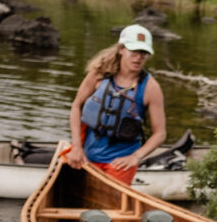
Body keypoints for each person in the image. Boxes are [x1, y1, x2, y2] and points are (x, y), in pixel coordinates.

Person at [66, 24, 166, 184]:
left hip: (120, 162)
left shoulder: (151, 88)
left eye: (143, 53)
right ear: (121, 49)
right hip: (86, 153)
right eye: (134, 51)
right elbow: (76, 106)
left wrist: (136, 157)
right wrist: (77, 147)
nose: (138, 58)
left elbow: (160, 134)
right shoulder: (98, 74)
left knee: (107, 199)